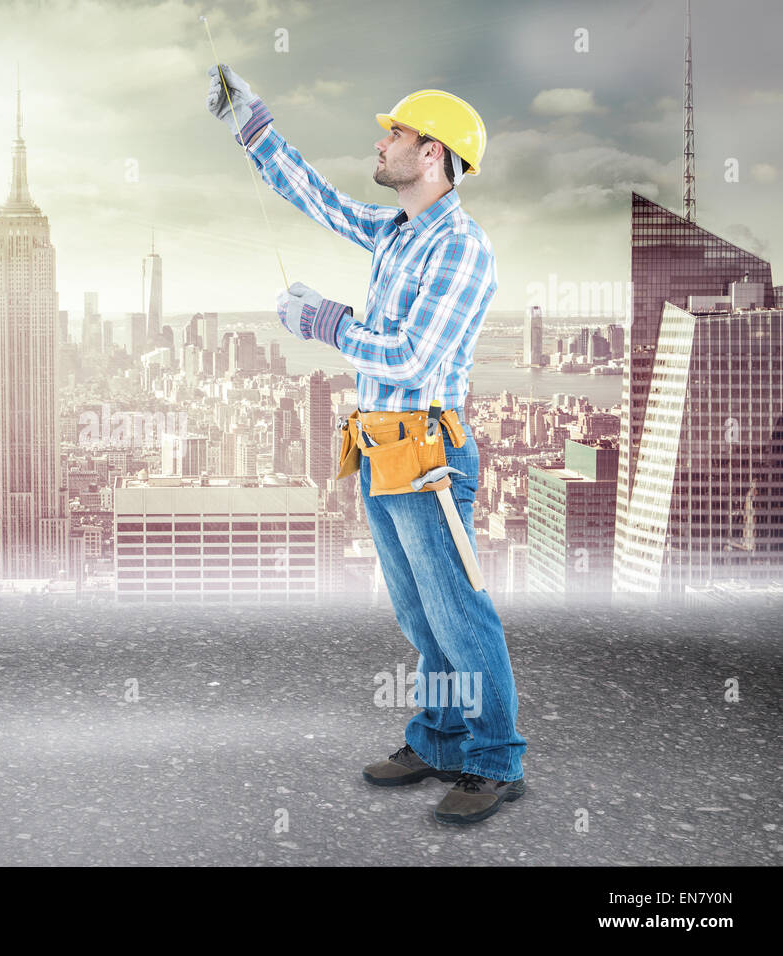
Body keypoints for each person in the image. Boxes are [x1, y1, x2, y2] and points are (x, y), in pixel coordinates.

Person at [206, 65, 528, 825]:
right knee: (421, 618)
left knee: (460, 614)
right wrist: (253, 127)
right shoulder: (399, 233)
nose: (380, 143)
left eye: (396, 134)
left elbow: (413, 356)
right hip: (384, 450)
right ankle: (442, 739)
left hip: (427, 457)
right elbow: (317, 198)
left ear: (433, 156)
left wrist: (328, 323)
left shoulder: (461, 250)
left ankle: (494, 760)